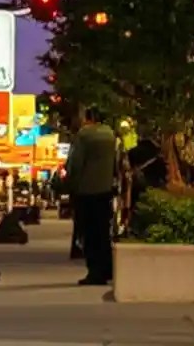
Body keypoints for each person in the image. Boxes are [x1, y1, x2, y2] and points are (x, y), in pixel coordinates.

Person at [66, 108, 118, 286]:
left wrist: (71, 182)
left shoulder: (84, 136)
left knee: (88, 233)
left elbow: (75, 162)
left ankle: (95, 272)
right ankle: (107, 268)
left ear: (88, 118)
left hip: (86, 190)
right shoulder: (111, 135)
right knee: (103, 231)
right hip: (105, 190)